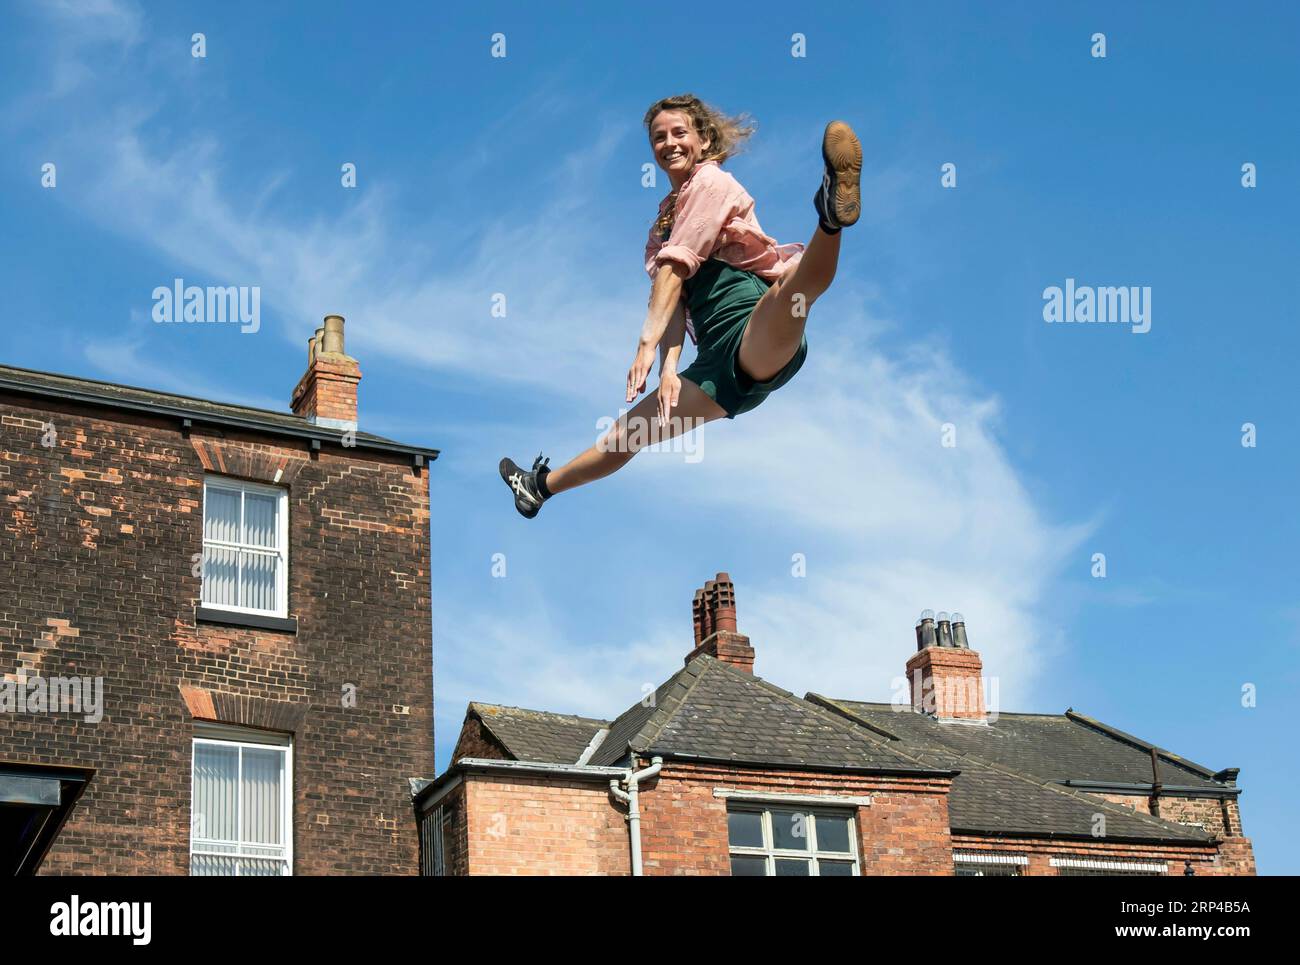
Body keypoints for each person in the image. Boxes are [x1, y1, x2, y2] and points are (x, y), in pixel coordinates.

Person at [500, 93, 861, 519]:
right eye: (658, 137)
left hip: (749, 323)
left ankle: (830, 214)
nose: (668, 143)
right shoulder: (661, 226)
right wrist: (668, 370)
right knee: (627, 434)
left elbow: (675, 268)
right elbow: (672, 302)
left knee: (792, 291)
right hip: (713, 361)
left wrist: (644, 346)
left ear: (704, 140)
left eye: (679, 133)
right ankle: (539, 487)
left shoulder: (711, 183)